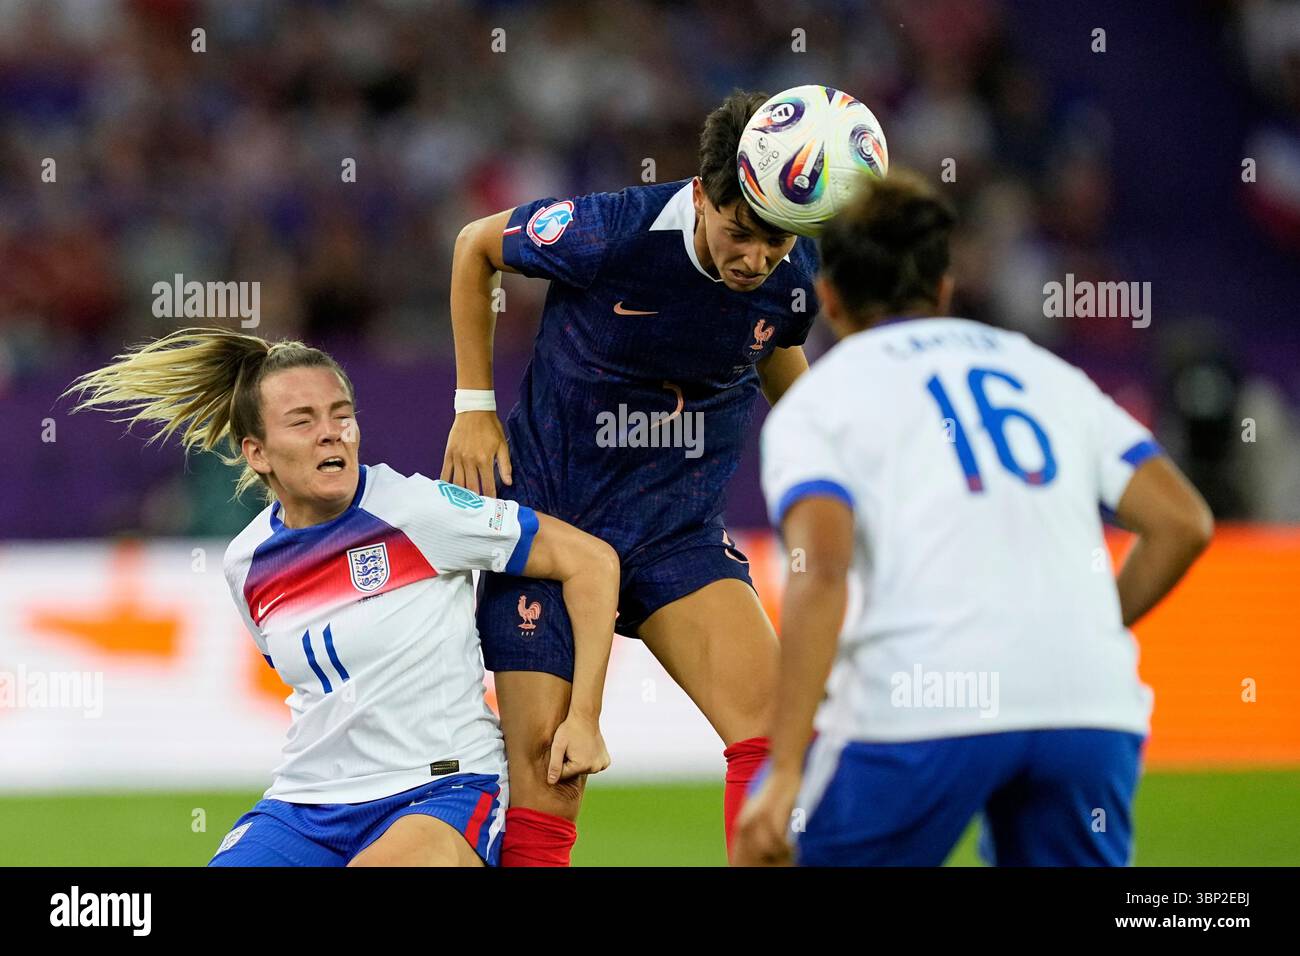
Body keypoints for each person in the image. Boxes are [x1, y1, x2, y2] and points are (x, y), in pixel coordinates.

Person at [735, 171, 1214, 866]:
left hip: (923, 701)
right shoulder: (1040, 370)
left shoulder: (821, 399)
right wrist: (1087, 628)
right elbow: (1184, 521)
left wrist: (784, 771)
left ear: (830, 297)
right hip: (1087, 705)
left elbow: (823, 574)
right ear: (944, 288)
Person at [64, 327, 618, 867]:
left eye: (342, 415)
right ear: (258, 453)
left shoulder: (418, 511)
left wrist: (585, 717)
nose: (331, 433)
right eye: (303, 422)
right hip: (306, 802)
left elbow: (591, 562)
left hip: (440, 789)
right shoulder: (246, 563)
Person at [445, 89, 823, 864]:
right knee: (551, 778)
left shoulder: (792, 272)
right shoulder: (610, 231)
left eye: (776, 245)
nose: (755, 259)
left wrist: (830, 441)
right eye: (740, 233)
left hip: (674, 534)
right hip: (551, 528)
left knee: (780, 738)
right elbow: (475, 245)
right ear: (701, 195)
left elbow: (774, 340)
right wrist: (473, 404)